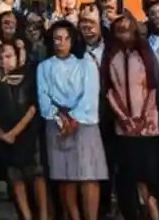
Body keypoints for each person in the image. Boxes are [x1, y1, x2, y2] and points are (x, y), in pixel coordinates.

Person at [37, 20, 107, 220]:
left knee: (89, 175)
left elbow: (91, 94)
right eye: (57, 38)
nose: (61, 43)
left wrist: (74, 118)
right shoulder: (44, 67)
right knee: (65, 176)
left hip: (84, 123)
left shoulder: (86, 63)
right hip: (57, 123)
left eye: (66, 38)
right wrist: (59, 117)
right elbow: (43, 96)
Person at [102, 15, 159, 220]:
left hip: (148, 126)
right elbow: (110, 91)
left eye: (127, 29)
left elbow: (153, 87)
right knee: (128, 176)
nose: (124, 33)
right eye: (119, 29)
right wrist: (124, 118)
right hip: (124, 128)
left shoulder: (145, 53)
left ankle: (156, 211)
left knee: (150, 175)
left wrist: (142, 117)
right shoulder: (111, 56)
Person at [0, 42, 46, 220]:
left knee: (37, 175)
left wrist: (15, 132)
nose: (4, 61)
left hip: (28, 132)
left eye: (8, 56)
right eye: (1, 57)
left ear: (17, 57)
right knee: (15, 177)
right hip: (5, 135)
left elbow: (32, 107)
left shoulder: (28, 76)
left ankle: (44, 215)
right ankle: (26, 215)